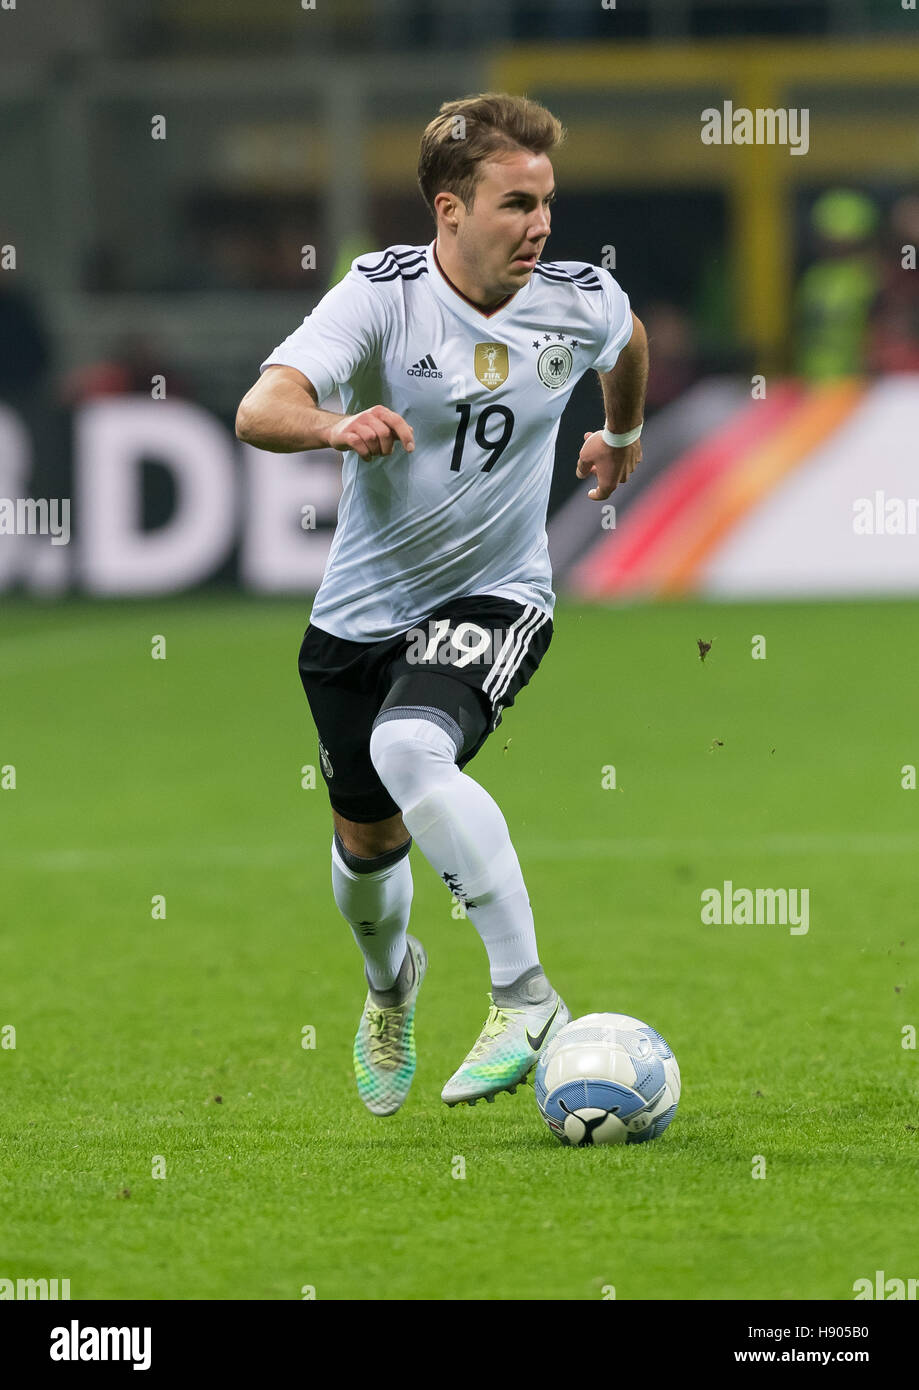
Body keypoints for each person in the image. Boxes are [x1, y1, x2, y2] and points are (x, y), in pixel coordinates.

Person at [236, 93, 648, 1116]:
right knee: (366, 853)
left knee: (409, 750)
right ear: (450, 209)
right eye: (516, 204)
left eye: (547, 201)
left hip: (498, 592)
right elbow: (260, 409)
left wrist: (623, 434)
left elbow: (626, 337)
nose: (540, 224)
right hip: (359, 615)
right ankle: (391, 986)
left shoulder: (576, 296)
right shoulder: (380, 296)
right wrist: (334, 428)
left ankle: (525, 996)